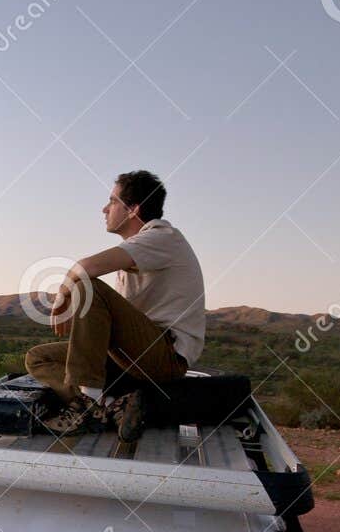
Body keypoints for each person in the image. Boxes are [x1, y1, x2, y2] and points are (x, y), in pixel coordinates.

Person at [24, 169, 206, 442]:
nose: (104, 208)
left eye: (112, 201)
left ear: (132, 209)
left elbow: (84, 267)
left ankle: (86, 405)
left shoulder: (163, 237)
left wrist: (62, 297)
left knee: (88, 284)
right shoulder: (138, 251)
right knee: (39, 358)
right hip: (133, 354)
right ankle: (107, 407)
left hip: (164, 355)